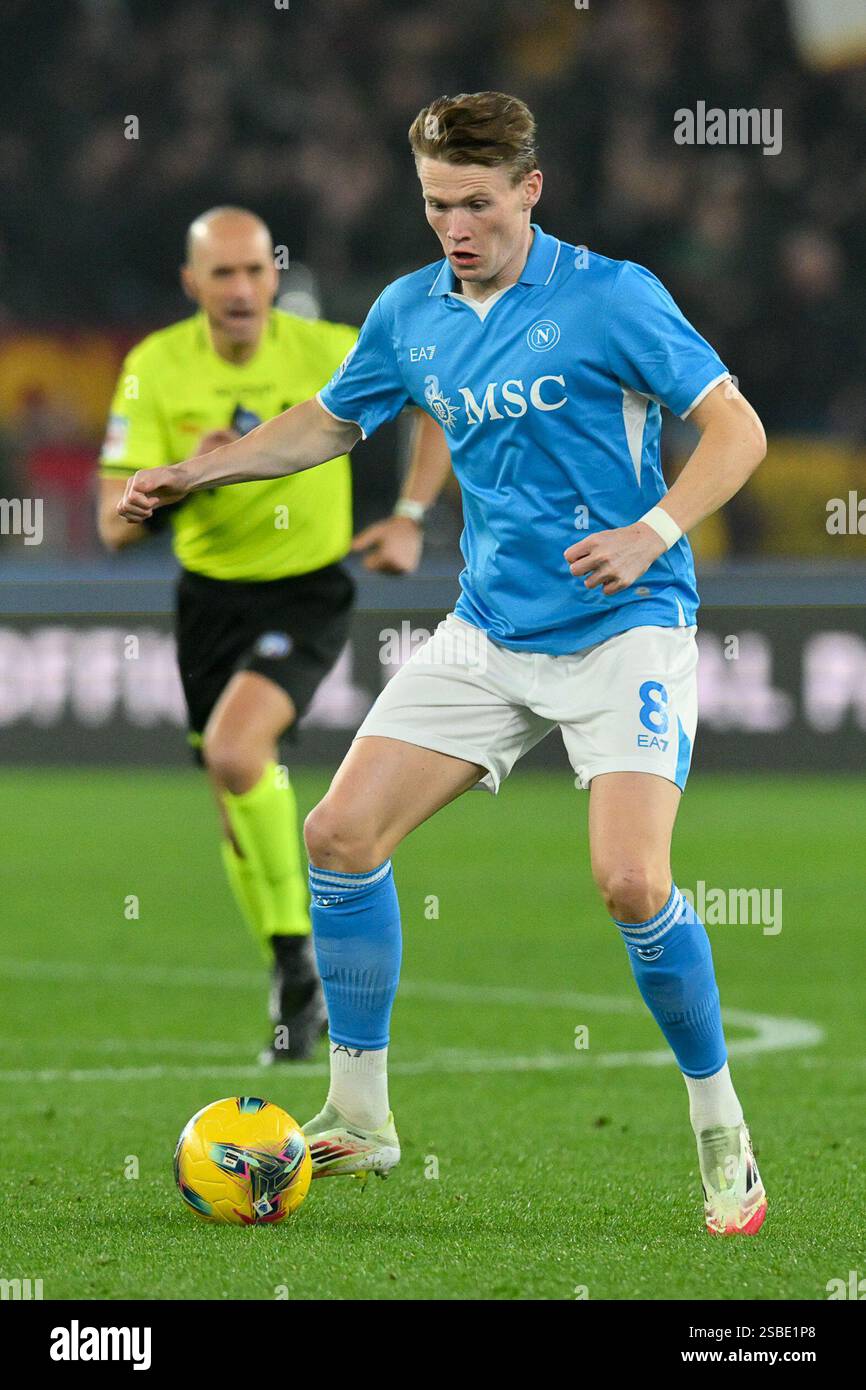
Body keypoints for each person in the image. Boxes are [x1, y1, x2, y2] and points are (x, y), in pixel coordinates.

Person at [117, 94, 769, 1235]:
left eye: (474, 202)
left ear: (528, 188)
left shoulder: (612, 296)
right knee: (336, 834)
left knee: (629, 882)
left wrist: (650, 530)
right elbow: (325, 423)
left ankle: (721, 1127)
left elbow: (736, 433)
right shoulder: (409, 310)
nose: (454, 227)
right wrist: (196, 474)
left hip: (627, 628)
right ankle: (362, 1113)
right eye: (433, 204)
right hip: (486, 632)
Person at [99, 204, 451, 1062]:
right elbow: (114, 526)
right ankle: (290, 973)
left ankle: (302, 967)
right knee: (233, 805)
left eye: (257, 270)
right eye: (222, 273)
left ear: (274, 275)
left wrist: (409, 515)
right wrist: (192, 484)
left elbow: (437, 399)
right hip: (210, 604)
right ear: (193, 284)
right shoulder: (154, 368)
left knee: (234, 750)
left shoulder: (326, 345)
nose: (244, 289)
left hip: (305, 592)